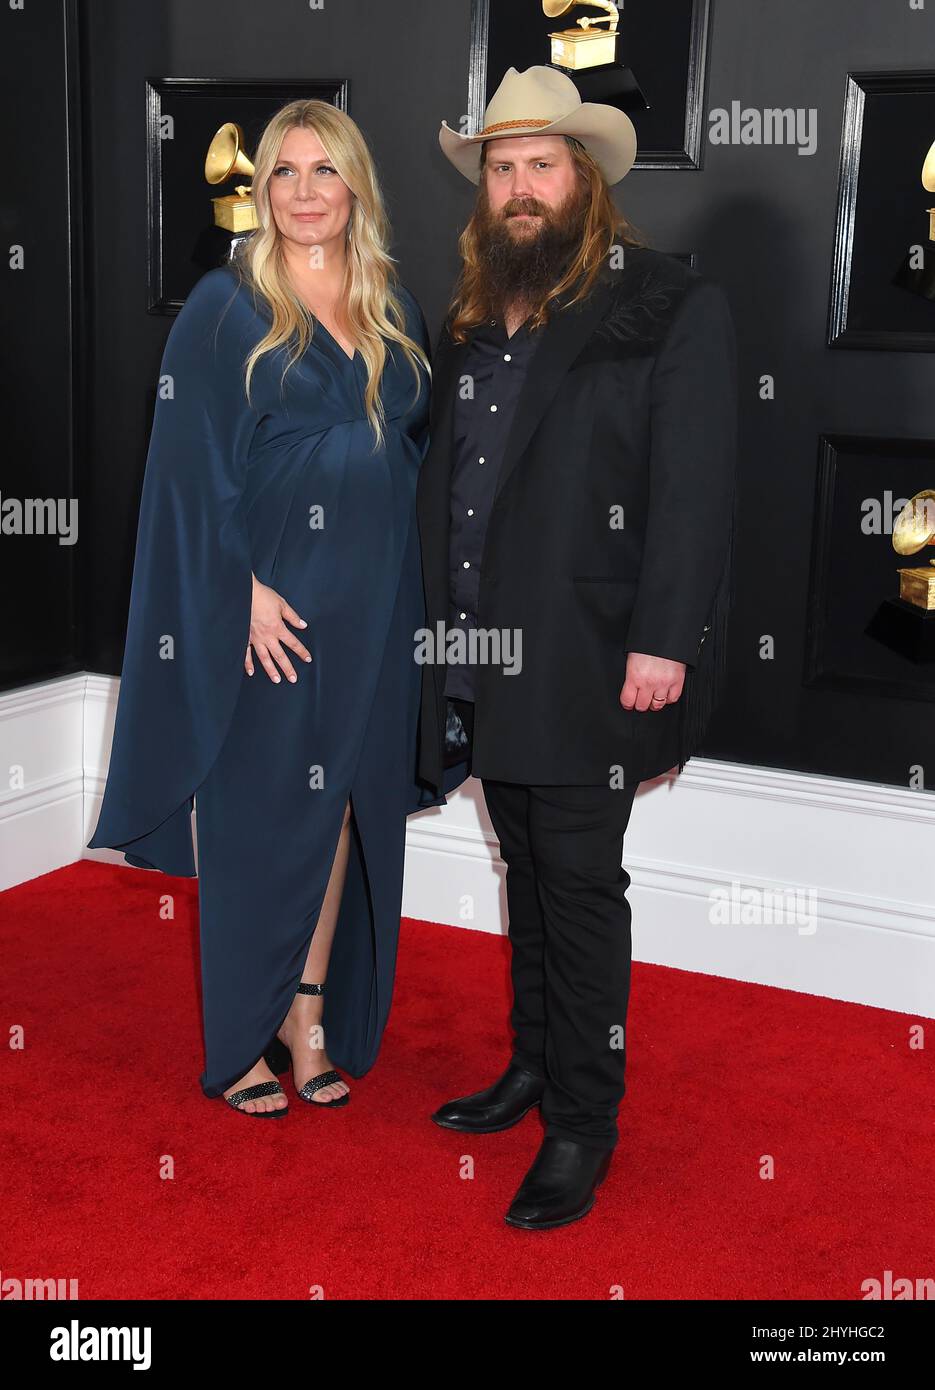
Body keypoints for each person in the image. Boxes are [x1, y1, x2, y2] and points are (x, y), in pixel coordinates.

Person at [417, 66, 738, 1226]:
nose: (516, 186)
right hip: (481, 651)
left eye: (538, 164)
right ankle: (533, 1064)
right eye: (499, 167)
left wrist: (664, 643)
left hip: (596, 653)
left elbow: (694, 490)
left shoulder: (663, 302)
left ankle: (581, 1123)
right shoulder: (465, 317)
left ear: (584, 176)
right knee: (527, 871)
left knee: (581, 885)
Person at [88, 98, 445, 1117]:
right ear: (263, 191)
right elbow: (185, 476)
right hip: (274, 611)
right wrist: (234, 592)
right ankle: (241, 1038)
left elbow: (412, 462)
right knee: (257, 818)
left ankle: (304, 1015)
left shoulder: (393, 306)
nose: (301, 192)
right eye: (282, 173)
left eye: (321, 171)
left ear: (354, 187)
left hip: (374, 609)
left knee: (336, 815)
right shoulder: (224, 306)